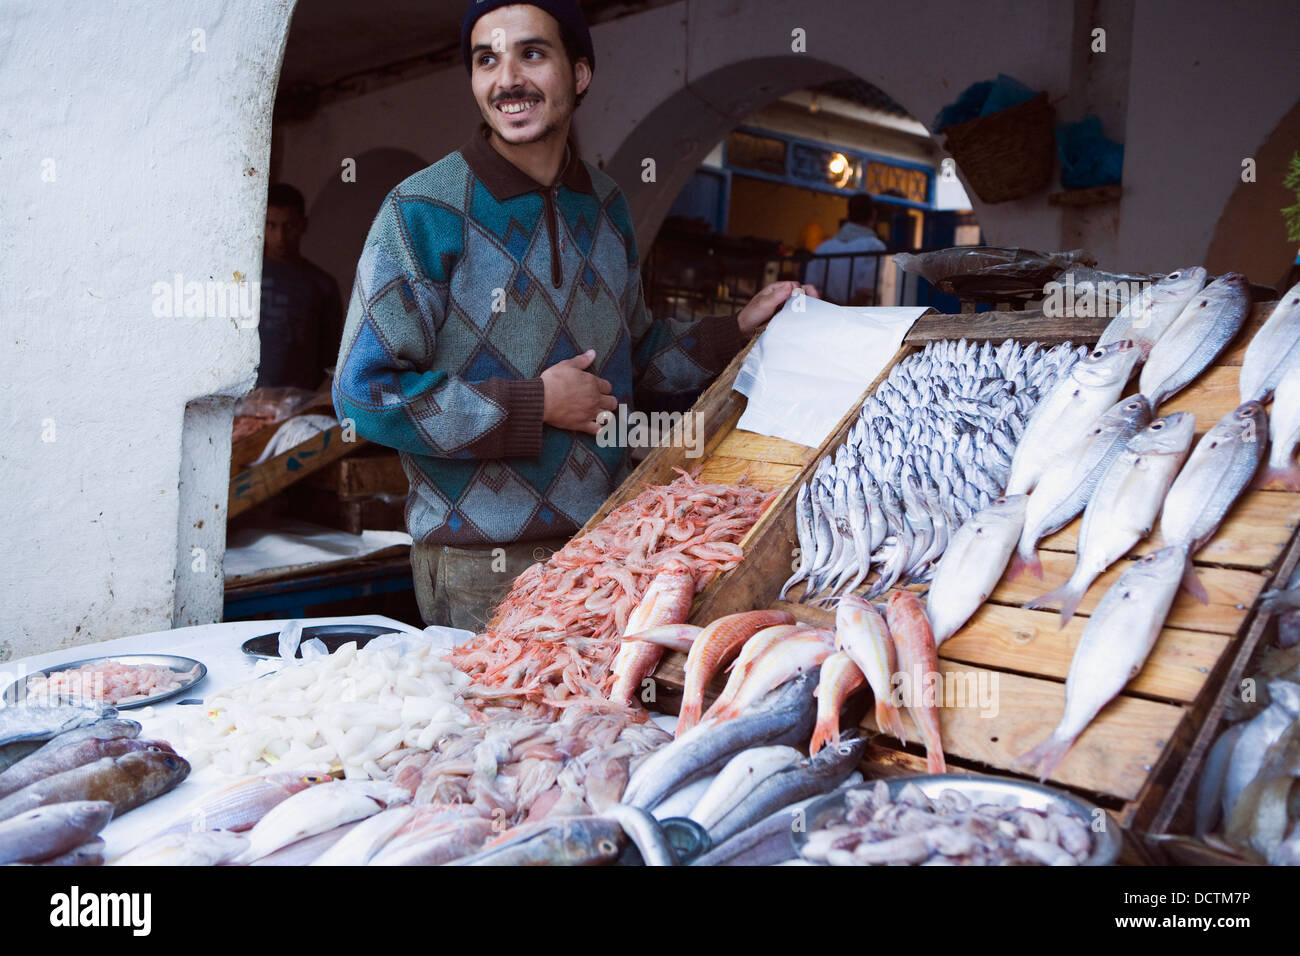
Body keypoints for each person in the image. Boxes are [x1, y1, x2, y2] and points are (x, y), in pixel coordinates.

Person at [333, 0, 816, 632]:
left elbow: (638, 357)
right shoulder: (422, 210)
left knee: (602, 734)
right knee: (502, 730)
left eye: (531, 53)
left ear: (580, 74)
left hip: (612, 543)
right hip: (480, 562)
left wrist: (736, 330)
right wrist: (534, 405)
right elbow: (364, 393)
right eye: (487, 60)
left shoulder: (607, 204)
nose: (507, 79)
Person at [258, 184, 344, 390]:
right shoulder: (240, 275)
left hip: (295, 405)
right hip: (240, 404)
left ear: (303, 225)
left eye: (289, 226)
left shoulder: (322, 285)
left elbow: (330, 357)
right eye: (271, 225)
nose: (280, 237)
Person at [804, 193, 887, 306]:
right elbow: (865, 292)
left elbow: (812, 288)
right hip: (858, 317)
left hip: (827, 314)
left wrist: (834, 308)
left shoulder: (823, 248)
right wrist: (846, 310)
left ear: (848, 215)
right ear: (873, 215)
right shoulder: (875, 247)